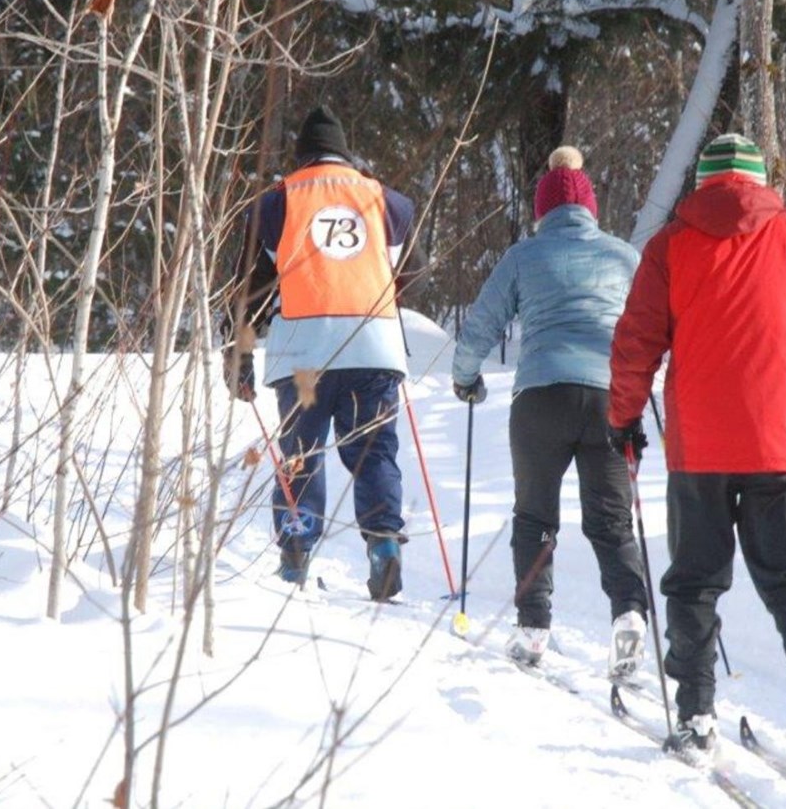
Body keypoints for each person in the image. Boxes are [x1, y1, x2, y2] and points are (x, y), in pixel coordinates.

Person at [606, 134, 786, 775]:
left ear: (705, 181)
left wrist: (623, 418)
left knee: (695, 581)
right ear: (759, 179)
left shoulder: (669, 244)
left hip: (702, 446)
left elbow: (637, 342)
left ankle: (695, 717)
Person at [451, 146, 649, 679]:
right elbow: (652, 325)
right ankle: (629, 612)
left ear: (542, 213)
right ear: (591, 211)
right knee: (611, 520)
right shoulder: (622, 257)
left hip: (540, 398)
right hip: (608, 397)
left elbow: (481, 323)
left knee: (535, 517)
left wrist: (464, 376)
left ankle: (533, 630)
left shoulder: (524, 256)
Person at [226, 105, 420, 601]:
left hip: (304, 355)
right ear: (344, 152)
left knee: (301, 453)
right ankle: (383, 546)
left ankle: (295, 550)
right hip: (374, 348)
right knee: (375, 452)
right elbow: (411, 273)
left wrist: (239, 357)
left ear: (302, 156)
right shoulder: (386, 201)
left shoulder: (276, 203)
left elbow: (247, 290)